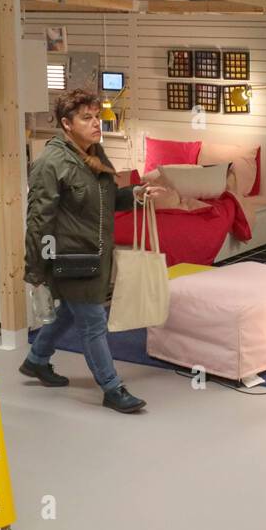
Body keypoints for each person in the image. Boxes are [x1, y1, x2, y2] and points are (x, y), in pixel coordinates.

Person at [22, 89, 164, 412]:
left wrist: (138, 194)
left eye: (96, 116)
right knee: (93, 322)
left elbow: (109, 198)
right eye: (86, 118)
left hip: (96, 255)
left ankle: (36, 359)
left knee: (67, 314)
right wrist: (35, 272)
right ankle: (112, 388)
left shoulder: (96, 153)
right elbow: (37, 222)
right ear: (66, 124)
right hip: (71, 258)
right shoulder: (50, 163)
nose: (96, 123)